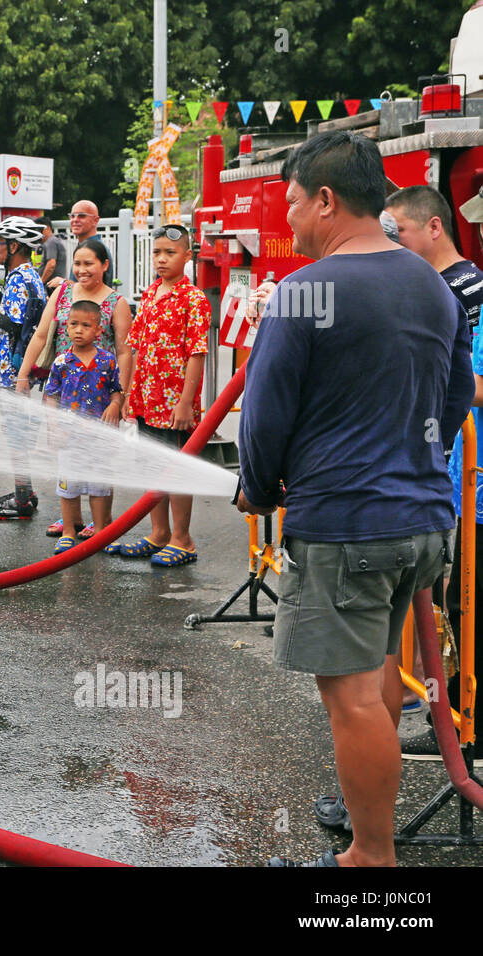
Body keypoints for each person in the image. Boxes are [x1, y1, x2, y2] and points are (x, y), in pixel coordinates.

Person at [236, 131, 472, 867]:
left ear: (329, 200)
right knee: (375, 676)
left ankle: (371, 859)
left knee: (355, 697)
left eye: (296, 203)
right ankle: (368, 828)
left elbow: (264, 414)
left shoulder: (305, 291)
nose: (293, 221)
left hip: (345, 529)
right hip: (425, 522)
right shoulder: (433, 285)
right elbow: (458, 395)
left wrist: (258, 483)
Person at [385, 184, 483, 761]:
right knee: (452, 597)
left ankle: (465, 727)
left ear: (435, 228)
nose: (391, 242)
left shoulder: (465, 291)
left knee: (464, 599)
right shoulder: (435, 287)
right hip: (450, 475)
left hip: (470, 475)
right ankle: (453, 714)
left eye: (398, 230)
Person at [105, 225, 208, 566]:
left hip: (175, 404)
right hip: (146, 400)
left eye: (171, 253)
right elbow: (133, 348)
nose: (162, 259)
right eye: (157, 252)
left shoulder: (194, 300)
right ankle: (159, 533)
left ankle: (183, 539)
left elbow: (197, 354)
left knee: (176, 470)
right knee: (153, 466)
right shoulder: (149, 295)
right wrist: (126, 394)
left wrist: (184, 402)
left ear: (187, 256)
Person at [17, 238, 133, 537]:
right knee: (67, 454)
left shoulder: (116, 303)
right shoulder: (62, 293)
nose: (82, 270)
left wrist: (121, 399)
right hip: (66, 394)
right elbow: (42, 335)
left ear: (104, 265)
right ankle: (72, 521)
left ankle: (101, 524)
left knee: (99, 461)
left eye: (89, 263)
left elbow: (124, 351)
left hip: (101, 397)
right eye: (78, 264)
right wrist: (23, 373)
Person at [0, 216, 48, 520]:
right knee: (15, 431)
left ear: (14, 245)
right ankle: (24, 491)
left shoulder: (20, 278)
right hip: (17, 368)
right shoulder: (28, 275)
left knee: (15, 433)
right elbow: (18, 313)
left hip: (10, 370)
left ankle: (22, 500)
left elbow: (14, 324)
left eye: (0, 243)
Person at [43, 300, 124, 554]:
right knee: (69, 486)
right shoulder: (61, 363)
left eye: (85, 325)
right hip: (68, 437)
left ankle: (101, 532)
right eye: (73, 324)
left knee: (99, 486)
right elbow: (50, 397)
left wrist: (114, 405)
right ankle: (68, 530)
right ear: (66, 328)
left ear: (99, 330)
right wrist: (52, 426)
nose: (78, 330)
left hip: (100, 438)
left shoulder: (107, 361)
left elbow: (117, 391)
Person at [62, 200, 113, 288]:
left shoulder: (98, 249)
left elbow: (91, 289)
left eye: (81, 216)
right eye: (72, 216)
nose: (75, 220)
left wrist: (62, 283)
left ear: (95, 220)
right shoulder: (83, 246)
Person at [36, 215, 69, 286]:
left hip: (53, 287)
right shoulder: (53, 241)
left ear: (47, 228)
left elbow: (51, 264)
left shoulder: (51, 242)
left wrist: (40, 283)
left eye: (39, 230)